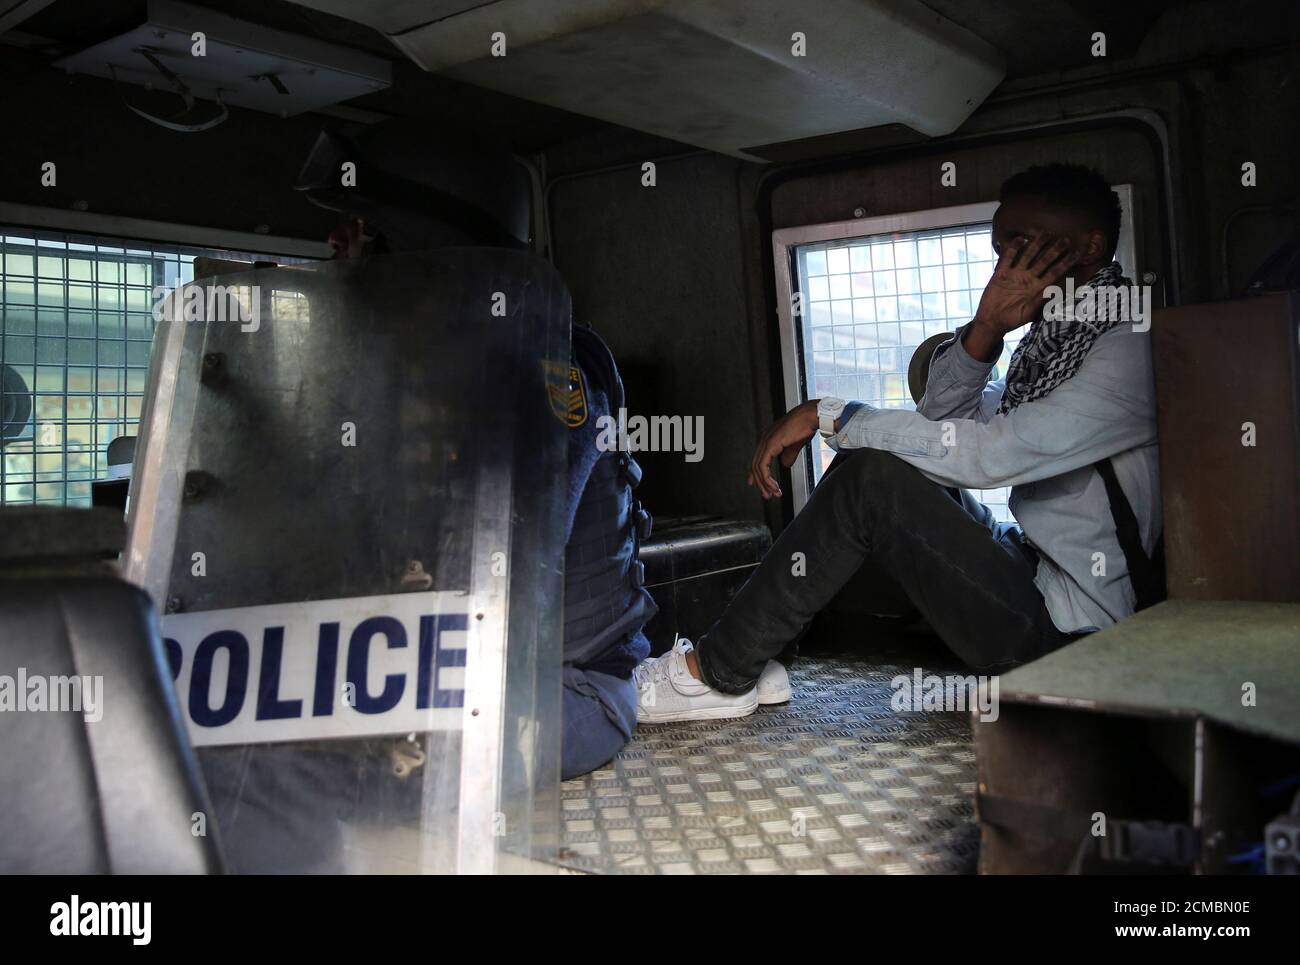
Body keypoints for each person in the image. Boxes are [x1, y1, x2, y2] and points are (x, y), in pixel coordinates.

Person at [634, 163, 1161, 722]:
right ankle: (755, 660)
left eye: (1025, 245)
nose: (1005, 263)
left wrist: (830, 415)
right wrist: (985, 332)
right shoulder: (1053, 344)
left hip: (1078, 636)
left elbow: (994, 454)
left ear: (1090, 248)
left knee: (871, 481)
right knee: (883, 461)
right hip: (1033, 569)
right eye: (1000, 246)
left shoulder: (1130, 345)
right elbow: (941, 424)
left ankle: (717, 672)